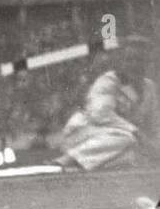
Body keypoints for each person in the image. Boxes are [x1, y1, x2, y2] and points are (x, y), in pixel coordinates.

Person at [55, 39, 158, 171]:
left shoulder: (149, 86)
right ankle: (68, 159)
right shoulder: (108, 81)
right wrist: (135, 131)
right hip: (86, 133)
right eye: (130, 59)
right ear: (122, 61)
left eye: (140, 60)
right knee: (127, 138)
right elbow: (100, 115)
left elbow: (154, 123)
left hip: (114, 141)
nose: (135, 64)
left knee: (134, 155)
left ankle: (80, 167)